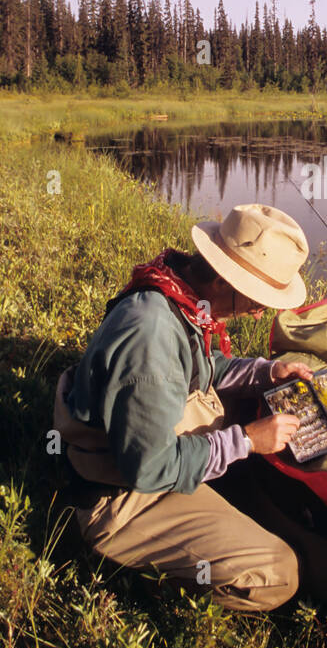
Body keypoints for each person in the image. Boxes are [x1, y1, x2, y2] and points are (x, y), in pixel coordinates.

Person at [53, 204, 313, 611]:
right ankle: (152, 581)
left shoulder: (179, 293)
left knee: (252, 402)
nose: (262, 310)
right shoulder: (151, 338)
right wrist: (245, 441)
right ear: (225, 278)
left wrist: (268, 372)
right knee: (280, 573)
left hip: (139, 453)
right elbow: (150, 469)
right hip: (121, 498)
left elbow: (202, 368)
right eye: (259, 298)